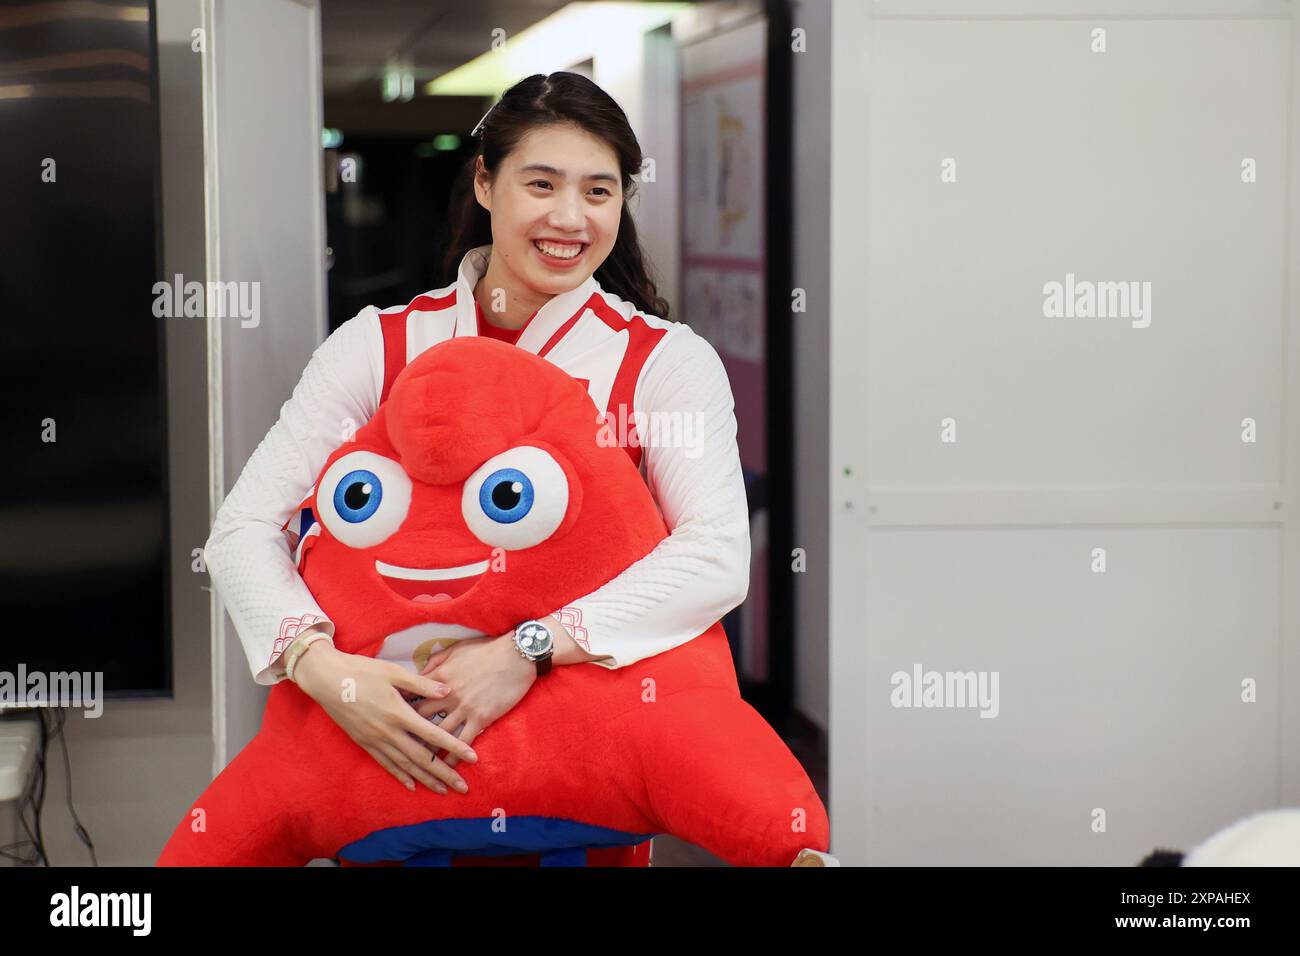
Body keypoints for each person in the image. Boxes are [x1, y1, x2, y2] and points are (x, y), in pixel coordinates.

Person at [203, 71, 751, 799]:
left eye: (598, 192)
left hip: (583, 770)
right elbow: (243, 529)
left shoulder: (662, 362)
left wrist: (527, 651)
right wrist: (321, 667)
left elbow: (715, 555)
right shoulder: (381, 346)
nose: (570, 217)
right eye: (541, 184)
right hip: (387, 765)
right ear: (486, 184)